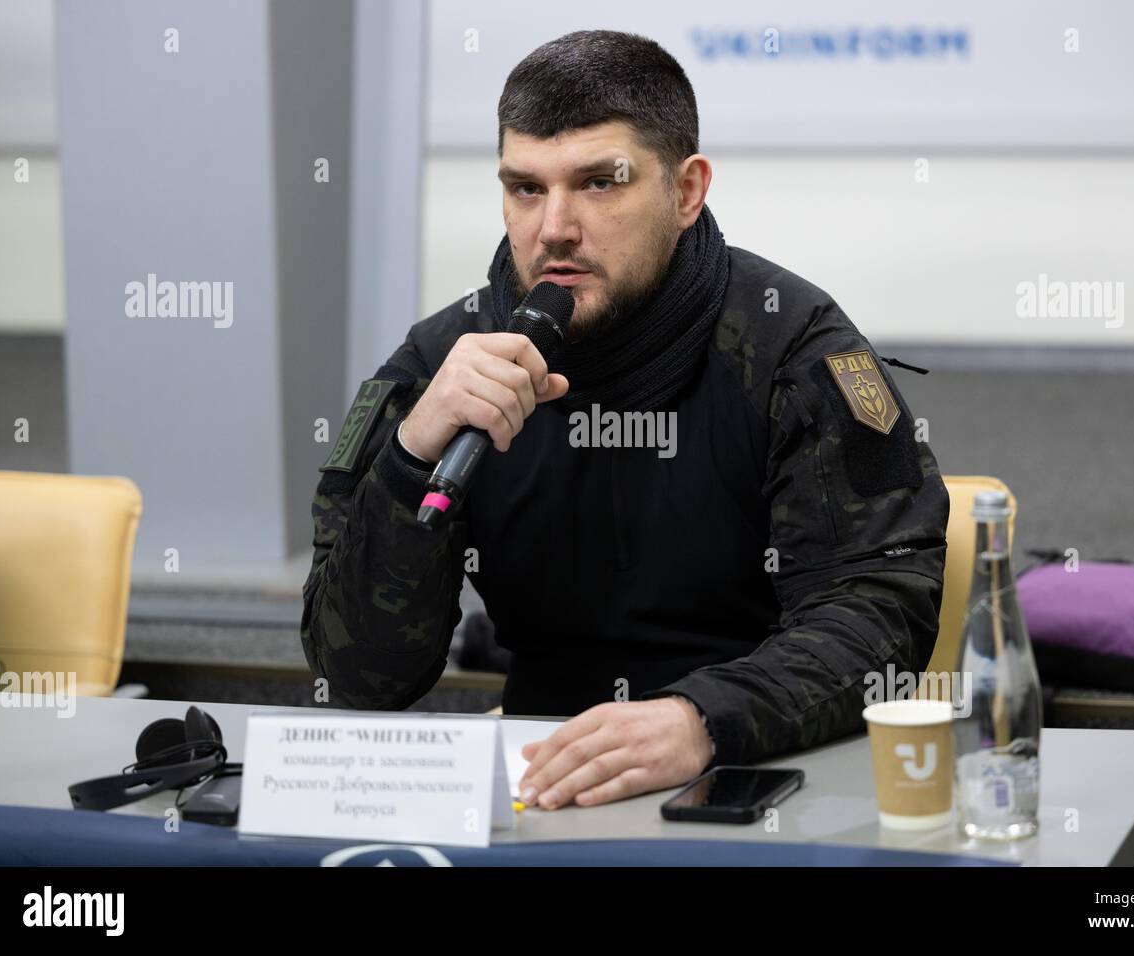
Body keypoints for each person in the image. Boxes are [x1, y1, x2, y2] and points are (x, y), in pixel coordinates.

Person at [301, 30, 950, 811]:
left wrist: (703, 718)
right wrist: (409, 462)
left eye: (599, 184)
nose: (555, 229)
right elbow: (357, 680)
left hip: (765, 771)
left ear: (686, 191)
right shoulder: (442, 366)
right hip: (546, 776)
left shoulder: (795, 347)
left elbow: (881, 613)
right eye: (526, 188)